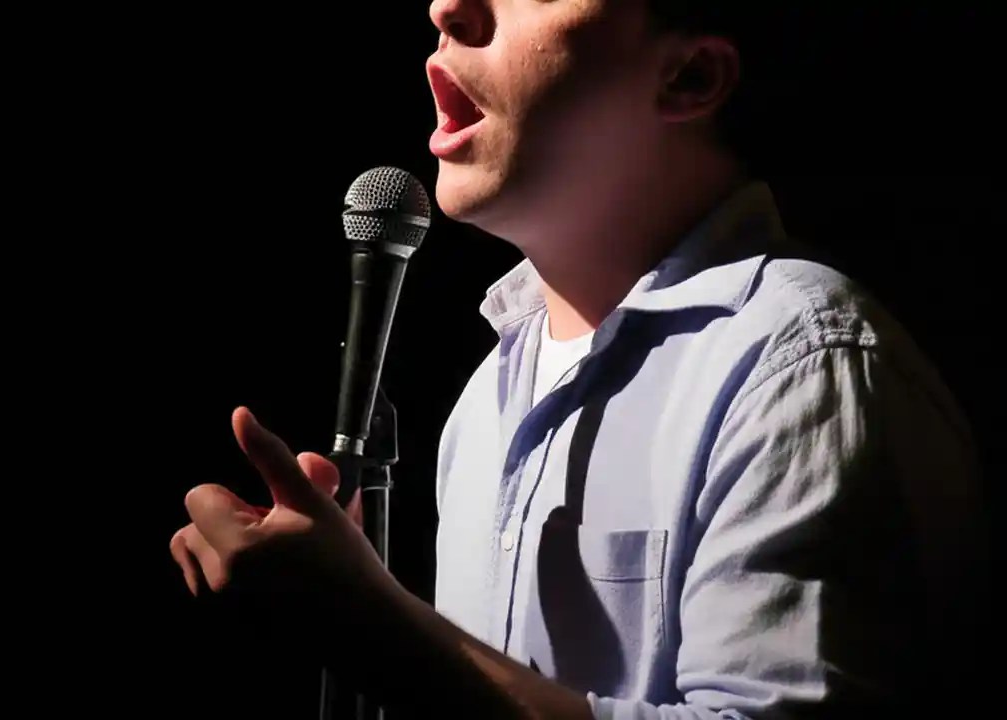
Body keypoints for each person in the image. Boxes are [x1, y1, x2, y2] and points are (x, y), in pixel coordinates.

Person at [169, 1, 986, 717]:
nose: (449, 9)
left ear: (691, 77)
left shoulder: (805, 369)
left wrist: (378, 629)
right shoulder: (487, 398)